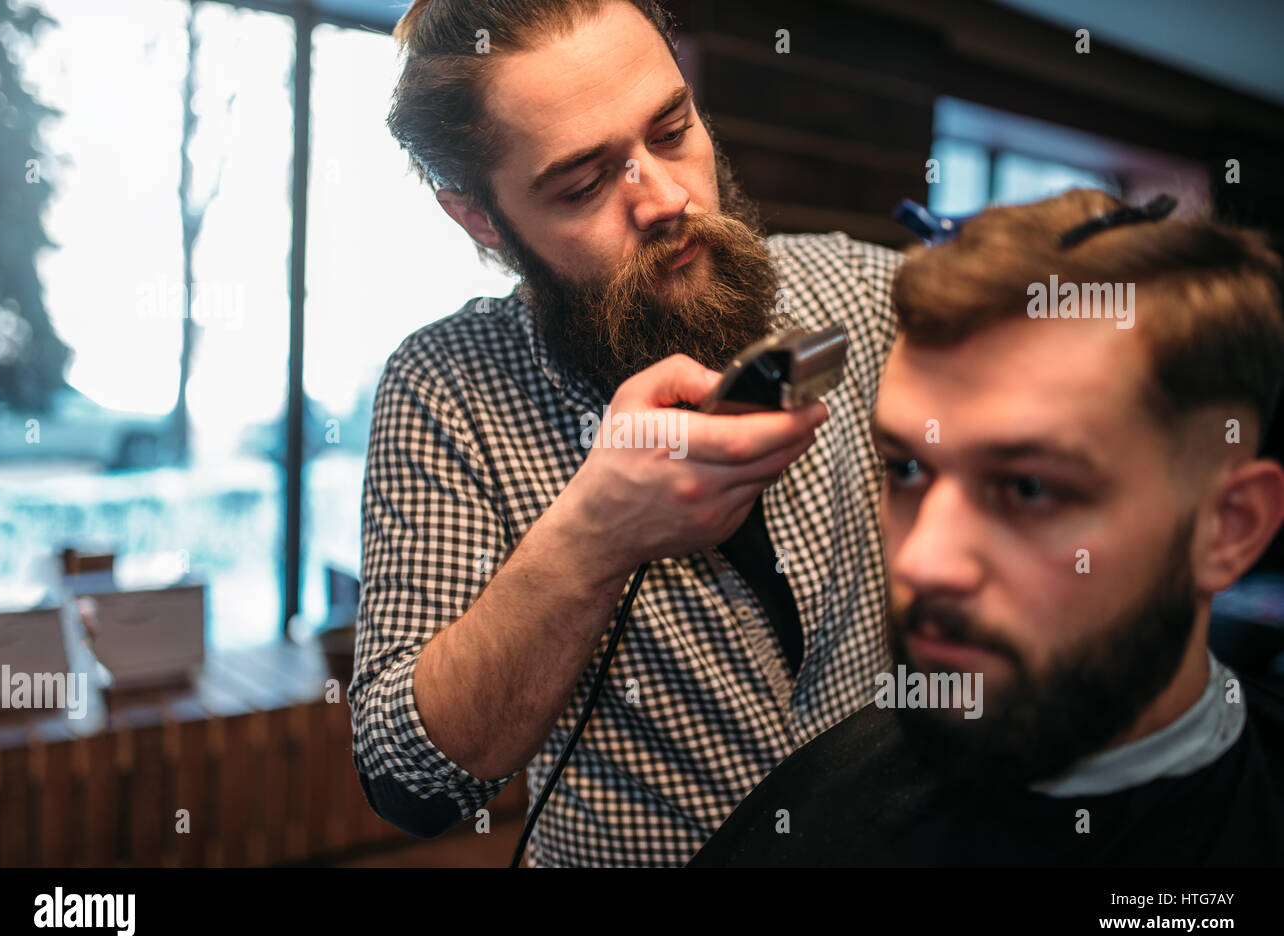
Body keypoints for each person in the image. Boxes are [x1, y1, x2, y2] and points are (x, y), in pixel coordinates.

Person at [347, 0, 902, 866]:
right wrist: (593, 536)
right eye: (583, 185)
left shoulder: (848, 291)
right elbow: (409, 780)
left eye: (672, 130)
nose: (668, 200)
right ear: (482, 219)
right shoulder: (448, 388)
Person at [690, 188, 1284, 867]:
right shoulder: (811, 826)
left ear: (1228, 527)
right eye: (908, 468)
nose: (924, 562)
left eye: (1029, 487)